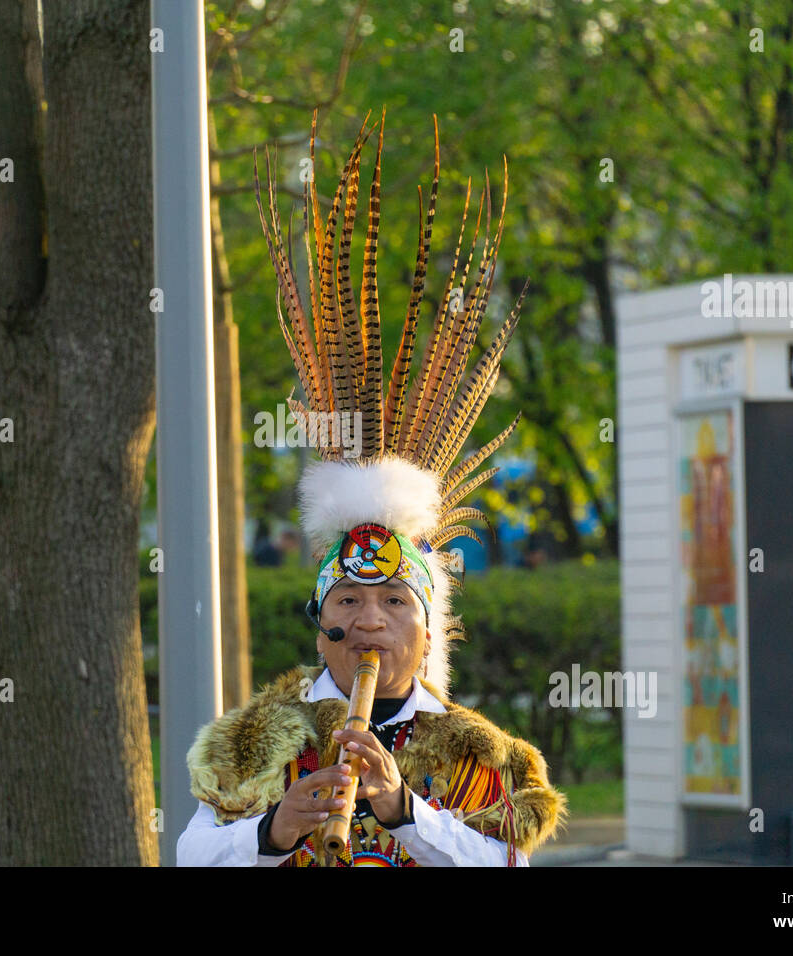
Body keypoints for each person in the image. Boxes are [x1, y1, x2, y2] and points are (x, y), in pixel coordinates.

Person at [176, 109, 566, 866]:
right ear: (319, 619)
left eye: (394, 602)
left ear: (427, 630)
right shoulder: (255, 738)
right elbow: (190, 856)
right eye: (348, 602)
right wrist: (274, 828)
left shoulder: (480, 754)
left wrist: (401, 809)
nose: (369, 624)